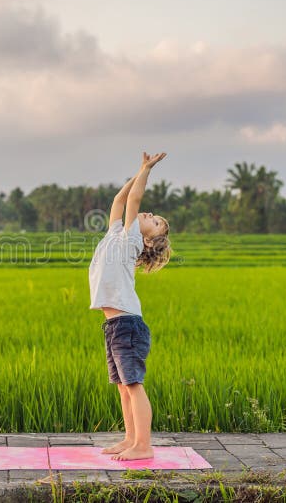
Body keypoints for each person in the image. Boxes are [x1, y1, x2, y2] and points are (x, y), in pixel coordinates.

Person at [88, 152, 170, 460]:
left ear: (148, 241)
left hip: (128, 325)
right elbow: (119, 201)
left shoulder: (132, 240)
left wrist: (146, 171)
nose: (150, 215)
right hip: (114, 326)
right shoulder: (115, 234)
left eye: (156, 221)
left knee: (133, 385)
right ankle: (130, 439)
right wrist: (137, 172)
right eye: (153, 214)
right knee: (123, 387)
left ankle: (143, 445)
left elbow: (134, 201)